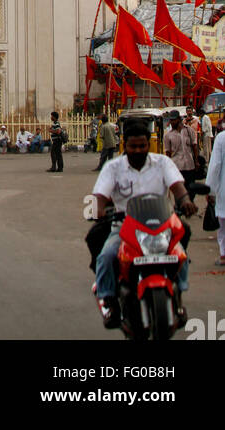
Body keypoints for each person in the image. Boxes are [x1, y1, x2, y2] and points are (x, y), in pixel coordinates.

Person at [92, 118, 197, 327]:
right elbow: (101, 194)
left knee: (180, 249)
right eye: (133, 146)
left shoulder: (162, 163)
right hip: (124, 228)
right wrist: (100, 208)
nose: (138, 150)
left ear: (148, 144)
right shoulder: (113, 167)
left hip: (160, 226)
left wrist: (185, 201)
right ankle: (108, 301)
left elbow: (177, 186)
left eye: (142, 146)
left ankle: (179, 293)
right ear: (125, 144)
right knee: (106, 256)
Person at [205, 128, 225, 267]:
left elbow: (215, 166)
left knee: (223, 223)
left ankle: (224, 255)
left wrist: (210, 189)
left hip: (223, 189)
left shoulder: (221, 138)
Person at [163, 110, 197, 186]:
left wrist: (196, 161)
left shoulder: (189, 130)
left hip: (190, 166)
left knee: (191, 191)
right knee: (180, 193)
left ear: (179, 119)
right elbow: (168, 153)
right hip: (177, 168)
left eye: (174, 120)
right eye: (171, 120)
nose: (172, 122)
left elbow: (194, 146)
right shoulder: (168, 136)